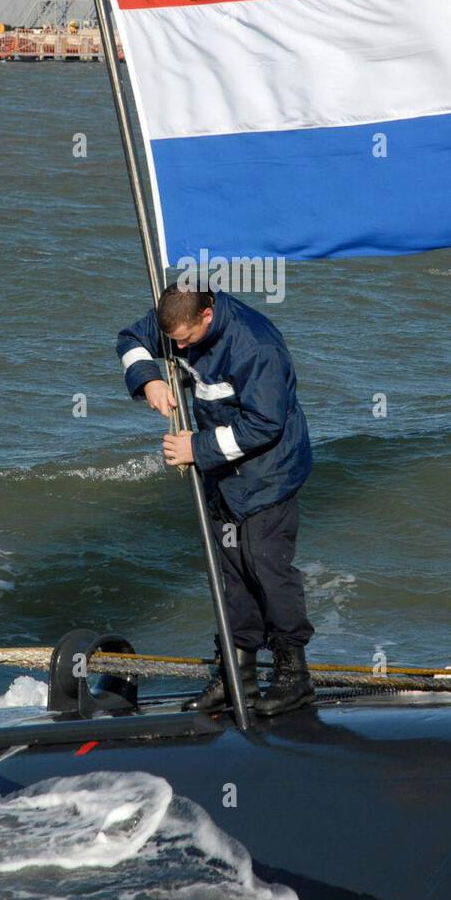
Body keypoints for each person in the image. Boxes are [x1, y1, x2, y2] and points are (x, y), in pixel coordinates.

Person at [116, 284, 314, 716]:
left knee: (265, 568)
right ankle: (234, 675)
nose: (179, 347)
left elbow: (266, 424)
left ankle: (292, 676)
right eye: (174, 340)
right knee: (231, 574)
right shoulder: (177, 317)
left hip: (268, 477)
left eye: (185, 340)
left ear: (207, 315)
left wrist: (195, 449)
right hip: (222, 479)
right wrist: (148, 379)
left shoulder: (255, 346)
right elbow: (130, 339)